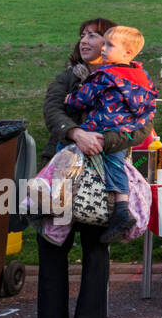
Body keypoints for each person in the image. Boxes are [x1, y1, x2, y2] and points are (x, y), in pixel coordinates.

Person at [21, 18, 152, 318]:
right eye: (83, 35)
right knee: (51, 244)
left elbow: (143, 127)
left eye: (94, 35)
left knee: (95, 248)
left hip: (102, 173)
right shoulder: (68, 77)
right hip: (62, 170)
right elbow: (53, 112)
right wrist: (76, 133)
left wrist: (104, 141)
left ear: (109, 43)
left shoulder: (129, 77)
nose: (85, 40)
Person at [64, 25, 156, 242]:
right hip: (124, 131)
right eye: (104, 44)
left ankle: (54, 193)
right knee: (116, 165)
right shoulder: (141, 75)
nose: (103, 49)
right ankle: (121, 208)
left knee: (65, 152)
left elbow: (85, 97)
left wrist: (70, 99)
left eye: (109, 45)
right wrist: (134, 122)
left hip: (101, 126)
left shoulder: (105, 75)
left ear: (127, 52)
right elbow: (149, 102)